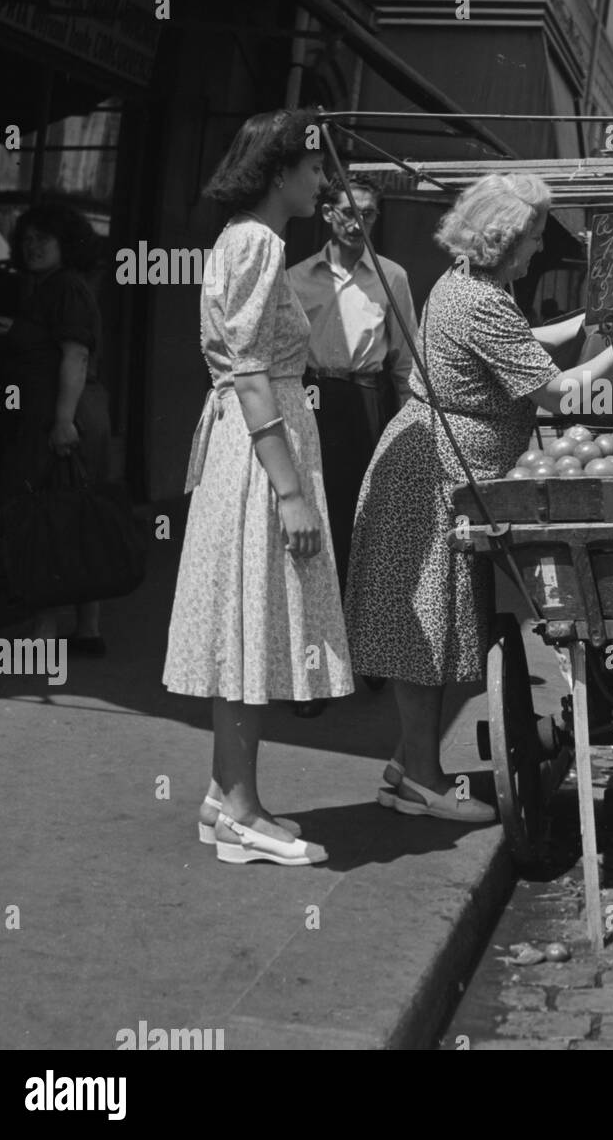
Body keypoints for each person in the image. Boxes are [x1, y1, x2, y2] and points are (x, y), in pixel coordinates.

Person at [346, 173, 613, 821]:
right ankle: (425, 785)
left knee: (433, 623)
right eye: (534, 233)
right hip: (435, 477)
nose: (540, 245)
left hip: (438, 466)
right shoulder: (480, 299)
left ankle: (407, 765)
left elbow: (522, 344)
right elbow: (557, 394)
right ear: (503, 238)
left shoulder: (466, 283)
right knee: (426, 629)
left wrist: (589, 322)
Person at [162, 109, 352, 867]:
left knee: (249, 620)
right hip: (259, 451)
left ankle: (225, 796)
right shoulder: (260, 243)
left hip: (254, 443)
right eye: (313, 170)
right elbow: (247, 371)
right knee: (252, 622)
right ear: (280, 171)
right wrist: (292, 490)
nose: (322, 183)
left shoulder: (246, 239)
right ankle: (240, 811)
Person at [287, 173, 418, 713]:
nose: (358, 222)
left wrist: (414, 425)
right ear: (327, 214)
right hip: (313, 401)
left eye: (368, 213)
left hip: (370, 403)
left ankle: (369, 655)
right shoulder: (296, 278)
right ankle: (313, 673)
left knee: (369, 532)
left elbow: (406, 359)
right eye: (348, 212)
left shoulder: (392, 278)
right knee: (313, 534)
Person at [0, 203, 113, 651]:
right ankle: (88, 629)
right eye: (27, 238)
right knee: (80, 513)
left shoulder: (63, 286)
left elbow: (75, 355)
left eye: (44, 238)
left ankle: (45, 630)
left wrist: (63, 420)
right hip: (75, 414)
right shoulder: (58, 287)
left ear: (69, 244)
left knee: (47, 515)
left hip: (65, 416)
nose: (33, 246)